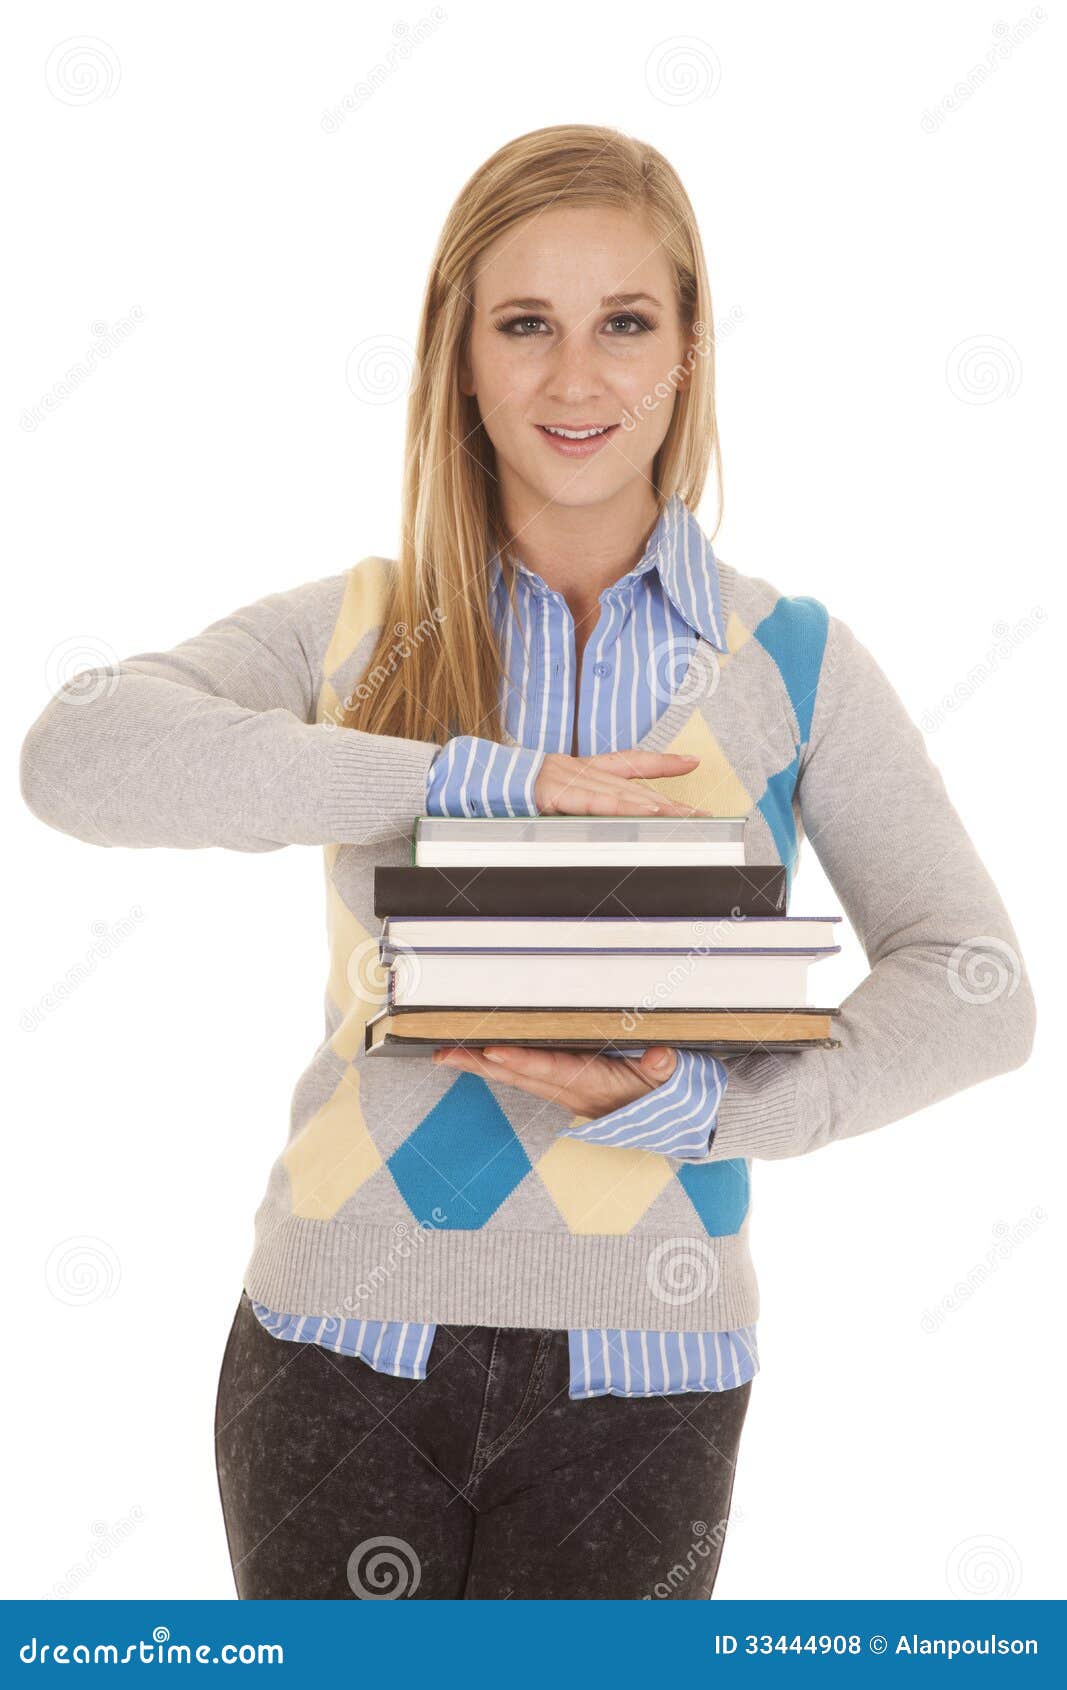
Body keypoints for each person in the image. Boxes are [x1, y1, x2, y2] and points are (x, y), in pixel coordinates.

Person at [18, 123, 1035, 1601]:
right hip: (334, 1350)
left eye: (625, 322)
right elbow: (76, 757)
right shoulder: (366, 634)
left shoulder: (785, 662)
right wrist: (467, 778)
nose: (576, 379)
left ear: (690, 350)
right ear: (462, 357)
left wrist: (715, 1110)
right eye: (525, 326)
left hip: (650, 1371)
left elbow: (978, 983)